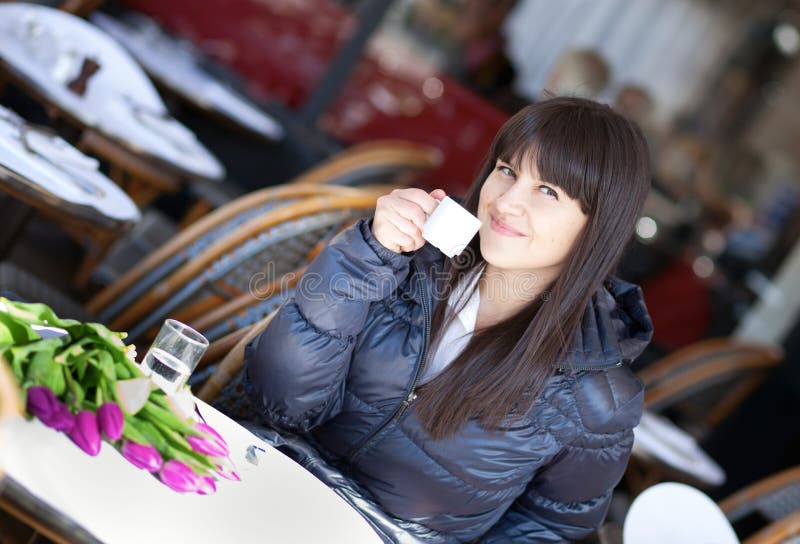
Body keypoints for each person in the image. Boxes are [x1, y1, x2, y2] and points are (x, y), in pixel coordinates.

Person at [244, 96, 654, 542]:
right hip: (271, 483)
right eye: (508, 170)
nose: (506, 202)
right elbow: (278, 399)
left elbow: (547, 529)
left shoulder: (598, 398)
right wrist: (367, 255)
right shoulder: (410, 254)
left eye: (548, 191)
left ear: (598, 227)